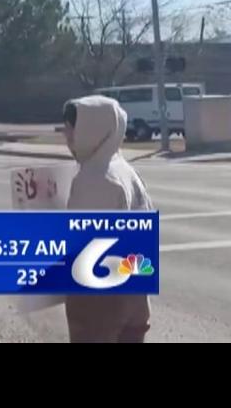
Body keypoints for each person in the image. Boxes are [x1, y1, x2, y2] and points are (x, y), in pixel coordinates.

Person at [61, 96, 154, 344]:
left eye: (72, 132)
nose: (67, 139)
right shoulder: (124, 169)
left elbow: (83, 246)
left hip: (100, 297)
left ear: (91, 131)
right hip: (135, 285)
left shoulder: (95, 177)